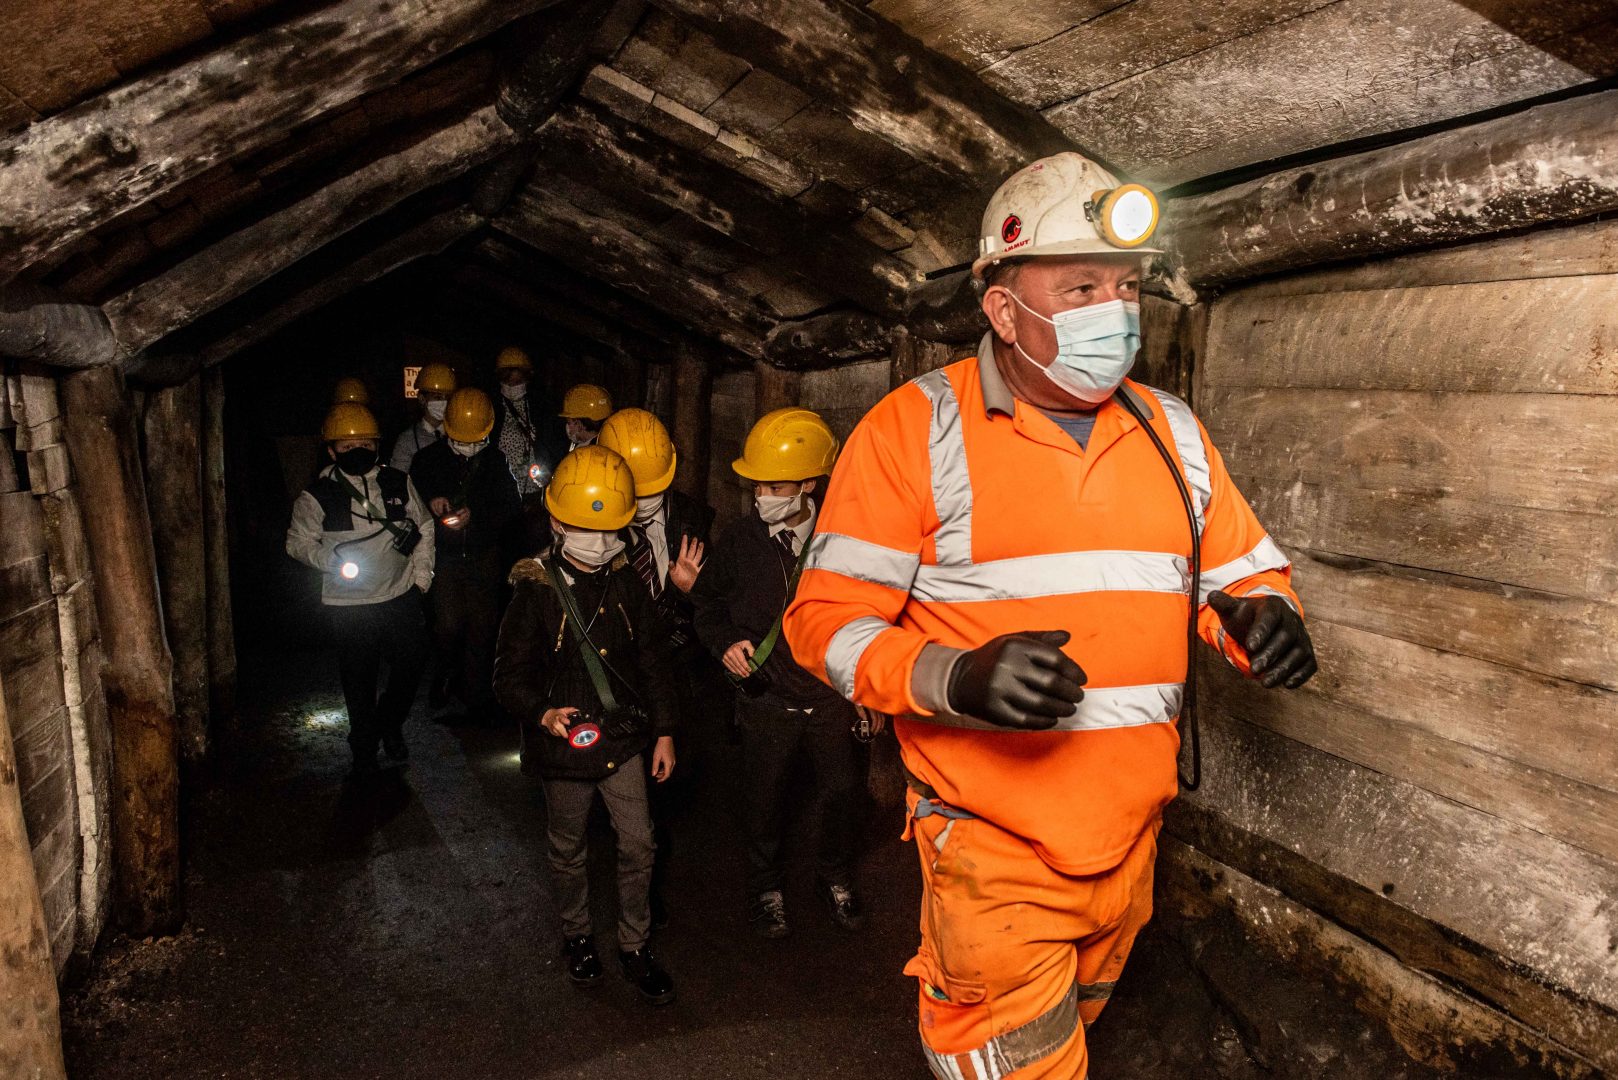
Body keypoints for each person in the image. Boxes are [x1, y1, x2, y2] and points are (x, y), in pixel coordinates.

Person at [783, 151, 1318, 1079]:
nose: (1114, 312)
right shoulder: (916, 430)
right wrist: (953, 676)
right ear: (1002, 307)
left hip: (1129, 847)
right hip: (994, 857)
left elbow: (1239, 574)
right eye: (1079, 287)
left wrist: (1264, 615)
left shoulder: (1175, 432)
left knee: (1072, 1047)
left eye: (1125, 287)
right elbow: (823, 621)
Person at [494, 445, 678, 1005]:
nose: (598, 543)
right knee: (568, 847)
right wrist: (541, 713)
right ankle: (577, 938)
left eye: (609, 531)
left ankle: (635, 943)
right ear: (555, 523)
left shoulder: (626, 584)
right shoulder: (534, 590)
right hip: (563, 745)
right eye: (583, 529)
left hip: (620, 739)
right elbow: (507, 676)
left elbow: (652, 659)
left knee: (639, 842)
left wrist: (665, 730)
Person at [691, 408, 868, 940]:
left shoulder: (845, 540)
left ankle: (834, 877)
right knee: (763, 801)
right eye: (758, 484)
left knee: (842, 796)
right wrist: (724, 644)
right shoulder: (741, 540)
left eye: (777, 485)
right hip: (767, 701)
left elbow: (868, 616)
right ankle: (765, 887)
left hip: (830, 696)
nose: (763, 494)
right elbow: (706, 603)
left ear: (809, 483)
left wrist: (868, 692)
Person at [597, 407, 714, 928]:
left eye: (651, 491)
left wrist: (695, 592)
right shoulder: (595, 521)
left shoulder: (698, 518)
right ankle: (637, 874)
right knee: (627, 776)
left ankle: (651, 866)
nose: (642, 505)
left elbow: (721, 601)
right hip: (622, 672)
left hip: (680, 667)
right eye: (633, 491)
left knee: (669, 774)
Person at [286, 401, 434, 775]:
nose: (358, 452)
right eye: (347, 447)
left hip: (400, 595)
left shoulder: (397, 481)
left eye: (365, 444)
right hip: (348, 603)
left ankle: (388, 723)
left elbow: (425, 525)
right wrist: (332, 561)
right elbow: (297, 543)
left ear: (377, 445)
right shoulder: (317, 495)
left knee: (411, 666)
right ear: (332, 449)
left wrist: (421, 579)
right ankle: (365, 744)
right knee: (358, 678)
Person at [410, 388, 520, 722]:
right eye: (462, 440)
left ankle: (476, 694)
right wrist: (433, 501)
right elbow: (409, 500)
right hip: (444, 557)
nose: (469, 447)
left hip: (484, 554)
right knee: (448, 625)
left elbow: (511, 507)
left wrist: (478, 515)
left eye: (475, 441)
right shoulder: (426, 460)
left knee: (482, 627)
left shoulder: (495, 461)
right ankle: (445, 674)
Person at [390, 361, 456, 473]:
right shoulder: (407, 440)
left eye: (448, 398)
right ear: (422, 399)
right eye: (438, 397)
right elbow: (399, 478)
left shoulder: (457, 435)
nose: (444, 402)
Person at [559, 383, 612, 451]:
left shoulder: (585, 453)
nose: (567, 427)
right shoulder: (608, 443)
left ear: (580, 424)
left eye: (569, 422)